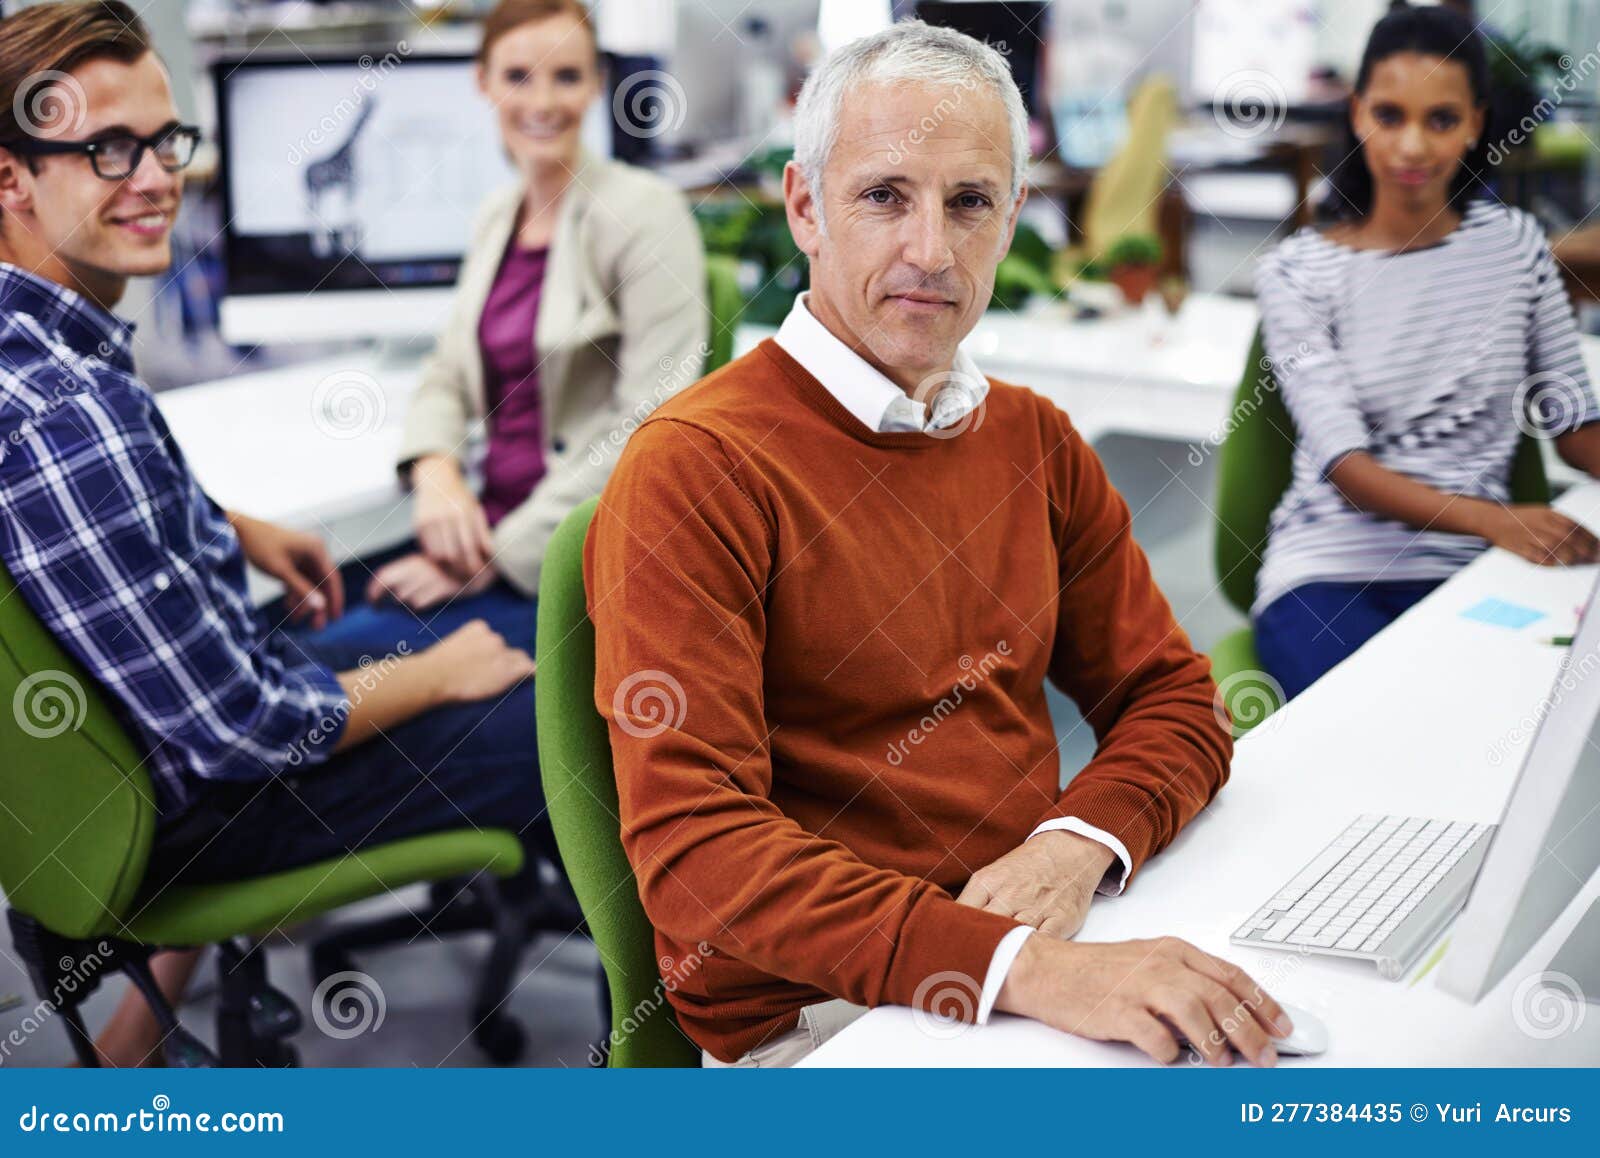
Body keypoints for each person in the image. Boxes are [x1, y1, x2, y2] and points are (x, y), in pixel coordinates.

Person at [586, 22, 1294, 1069]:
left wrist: (1069, 846)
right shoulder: (695, 468)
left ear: (1011, 221)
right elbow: (701, 858)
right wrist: (1021, 967)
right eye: (883, 195)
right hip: (825, 1021)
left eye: (968, 203)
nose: (930, 251)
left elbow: (1176, 702)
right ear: (804, 209)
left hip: (1034, 947)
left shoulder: (1032, 440)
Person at [0, 1, 541, 1065]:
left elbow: (88, 533)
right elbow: (244, 728)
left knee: (444, 597)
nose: (156, 178)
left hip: (164, 756)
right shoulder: (62, 417)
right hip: (213, 806)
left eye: (165, 141)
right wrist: (433, 679)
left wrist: (231, 527)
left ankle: (119, 1051)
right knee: (590, 709)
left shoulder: (38, 352)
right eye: (109, 149)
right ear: (9, 177)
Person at [1252, 3, 1600, 701]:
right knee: (1375, 734)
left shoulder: (1517, 247)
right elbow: (1347, 468)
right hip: (1328, 573)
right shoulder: (1296, 272)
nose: (1412, 146)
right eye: (1390, 115)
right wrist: (1495, 520)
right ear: (1357, 114)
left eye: (1440, 120)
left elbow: (1574, 427)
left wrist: (1494, 531)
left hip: (1477, 571)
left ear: (1475, 123)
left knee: (1514, 736)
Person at [350, 0, 705, 625]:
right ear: (481, 81)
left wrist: (494, 557)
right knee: (323, 630)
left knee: (346, 661)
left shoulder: (646, 213)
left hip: (571, 556)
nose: (542, 102)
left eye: (566, 76)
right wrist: (435, 470)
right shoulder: (496, 216)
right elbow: (446, 372)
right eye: (518, 76)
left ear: (597, 83)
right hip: (483, 529)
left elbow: (652, 424)